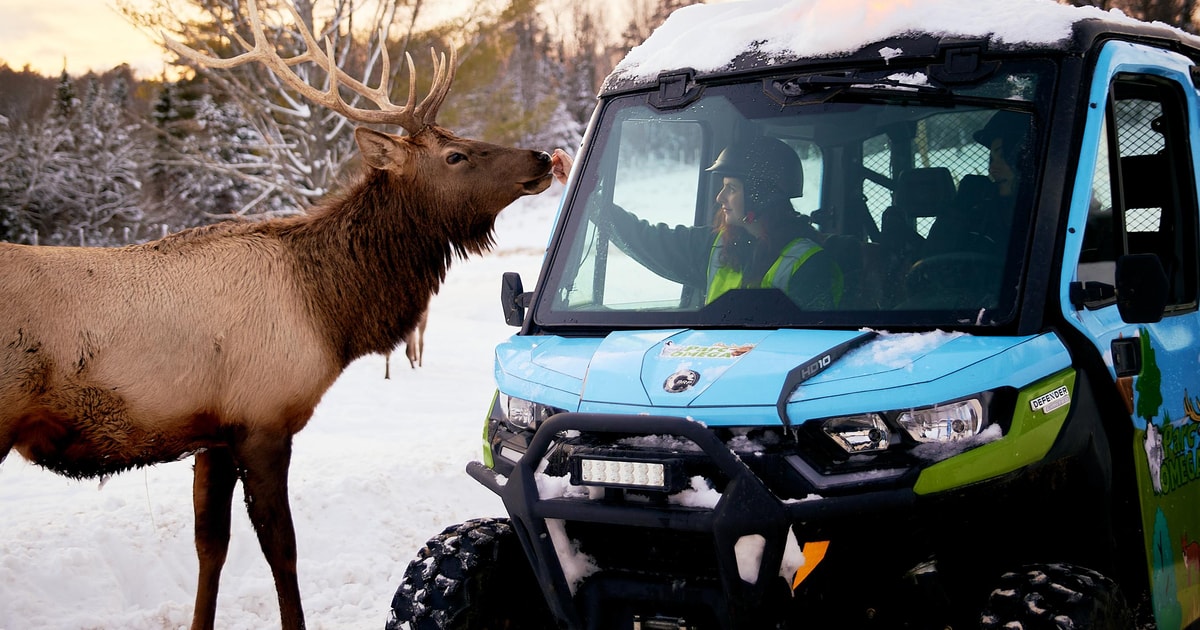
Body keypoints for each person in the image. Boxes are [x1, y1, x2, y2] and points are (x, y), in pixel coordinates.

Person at [550, 137, 841, 309]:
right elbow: (644, 238)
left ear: (760, 195)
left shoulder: (809, 263)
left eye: (731, 188)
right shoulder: (716, 245)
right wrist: (584, 192)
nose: (719, 198)